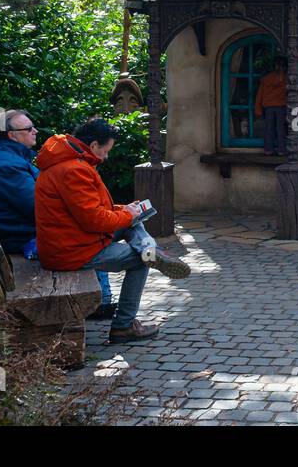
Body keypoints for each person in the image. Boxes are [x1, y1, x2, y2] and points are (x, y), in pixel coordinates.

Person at [35, 118, 190, 344]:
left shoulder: (70, 162)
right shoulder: (74, 170)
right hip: (72, 251)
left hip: (73, 240)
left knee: (133, 221)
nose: (106, 157)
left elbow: (91, 211)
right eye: (106, 151)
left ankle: (149, 248)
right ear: (94, 145)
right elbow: (94, 220)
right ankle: (124, 326)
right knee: (138, 260)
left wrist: (126, 211)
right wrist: (127, 214)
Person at [0, 109, 116, 320]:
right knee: (93, 230)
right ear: (12, 135)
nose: (35, 131)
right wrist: (76, 210)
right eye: (28, 129)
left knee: (100, 223)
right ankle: (101, 304)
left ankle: (104, 300)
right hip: (23, 238)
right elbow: (36, 207)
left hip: (22, 232)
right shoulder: (5, 165)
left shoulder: (9, 157)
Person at [254, 56, 289, 156]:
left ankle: (268, 149)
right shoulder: (287, 79)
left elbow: (260, 95)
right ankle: (282, 150)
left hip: (268, 107)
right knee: (281, 129)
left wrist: (258, 110)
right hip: (281, 107)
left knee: (269, 128)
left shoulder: (266, 79)